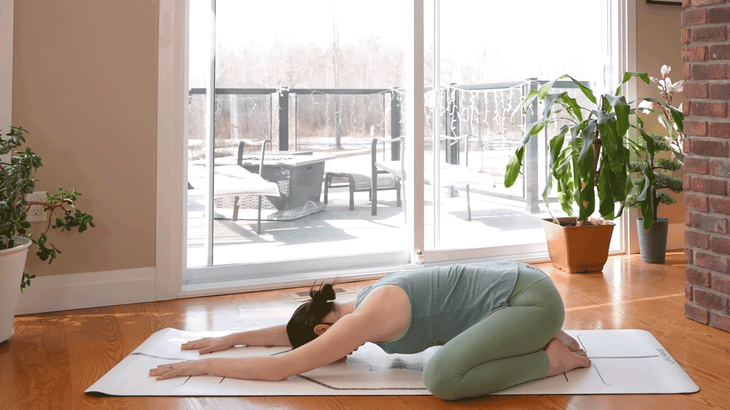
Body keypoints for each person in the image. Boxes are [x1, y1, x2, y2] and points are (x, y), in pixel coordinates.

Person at [149, 261, 591, 400]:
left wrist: (198, 367)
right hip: (517, 292)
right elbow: (294, 334)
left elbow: (279, 369)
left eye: (328, 344)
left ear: (326, 328)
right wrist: (231, 338)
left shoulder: (367, 317)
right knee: (448, 364)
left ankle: (547, 357)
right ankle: (537, 335)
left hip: (527, 300)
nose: (336, 353)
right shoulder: (351, 306)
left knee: (441, 378)